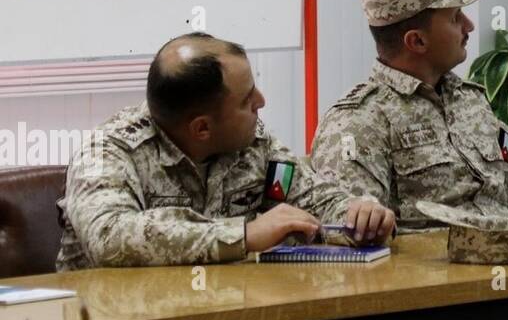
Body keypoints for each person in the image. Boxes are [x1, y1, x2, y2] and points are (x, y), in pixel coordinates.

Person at [57, 33, 394, 270]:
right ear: (202, 128)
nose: (262, 101)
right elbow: (110, 237)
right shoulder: (107, 152)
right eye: (247, 100)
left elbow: (314, 198)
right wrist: (244, 235)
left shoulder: (252, 145)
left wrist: (359, 215)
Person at [311, 0, 508, 229]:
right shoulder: (358, 122)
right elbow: (355, 234)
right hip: (433, 269)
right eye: (455, 18)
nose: (469, 26)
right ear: (416, 41)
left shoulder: (472, 101)